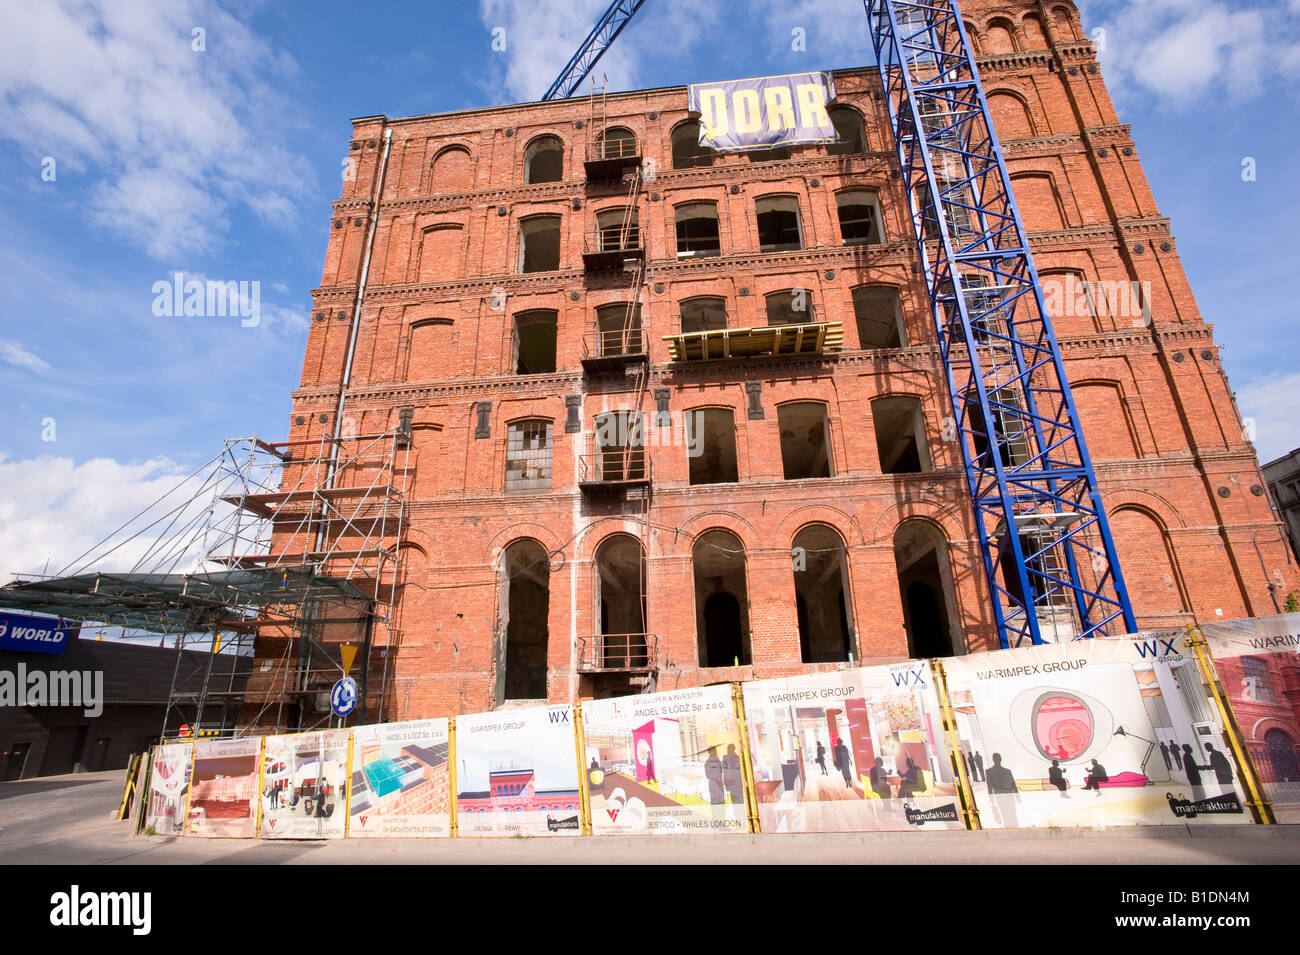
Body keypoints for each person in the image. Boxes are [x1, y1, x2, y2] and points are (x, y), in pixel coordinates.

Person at [984, 754, 1020, 828]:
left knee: (1005, 812)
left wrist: (991, 798)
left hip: (1000, 794)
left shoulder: (989, 771)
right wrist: (1017, 796)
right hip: (1007, 793)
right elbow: (1013, 784)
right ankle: (1013, 826)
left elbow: (989, 786)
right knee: (1011, 812)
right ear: (1000, 759)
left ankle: (1009, 826)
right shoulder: (1007, 771)